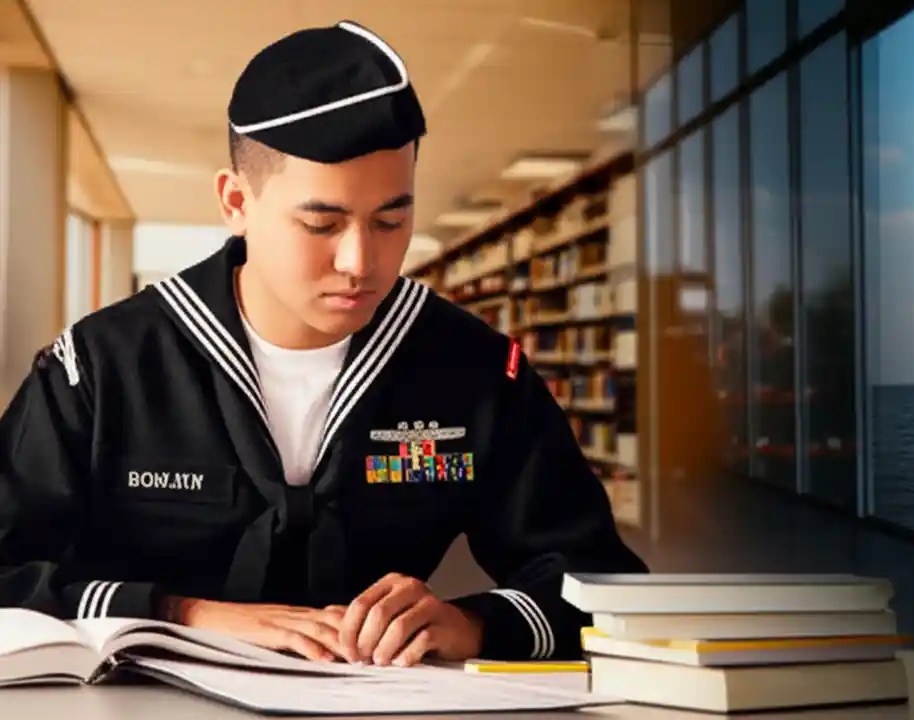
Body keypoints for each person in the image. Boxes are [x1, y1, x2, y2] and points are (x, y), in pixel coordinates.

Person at [0, 19, 647, 667]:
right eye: (321, 222)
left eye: (391, 220)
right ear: (235, 202)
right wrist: (181, 613)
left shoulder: (475, 370)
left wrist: (474, 623)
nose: (360, 261)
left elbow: (604, 583)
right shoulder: (101, 367)